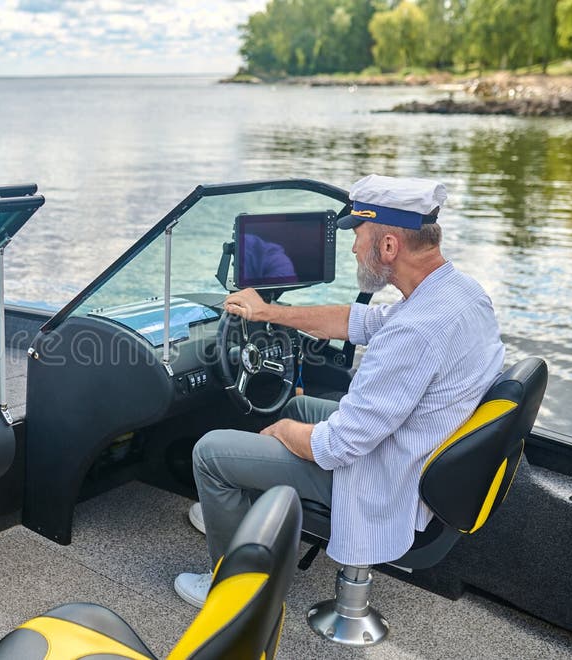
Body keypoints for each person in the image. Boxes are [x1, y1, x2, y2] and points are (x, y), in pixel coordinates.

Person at [174, 174, 505, 608]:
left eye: (359, 235)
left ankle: (233, 590)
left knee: (212, 452)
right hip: (416, 453)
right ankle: (237, 520)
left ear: (389, 246)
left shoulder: (417, 333)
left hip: (384, 481)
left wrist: (282, 433)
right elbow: (360, 321)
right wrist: (268, 312)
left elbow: (340, 446)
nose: (351, 247)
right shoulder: (457, 293)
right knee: (297, 404)